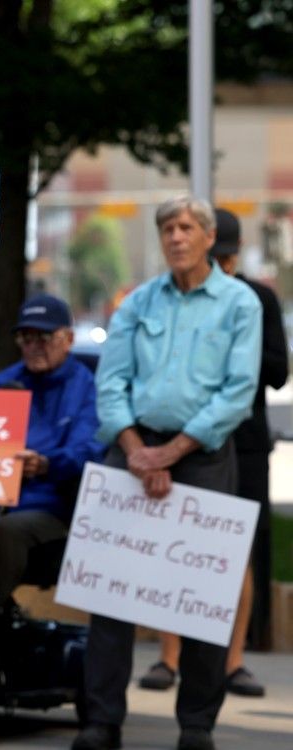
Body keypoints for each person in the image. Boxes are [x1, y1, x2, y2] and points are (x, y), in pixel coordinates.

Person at [71, 196, 262, 750]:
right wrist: (136, 449)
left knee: (202, 596)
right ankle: (102, 720)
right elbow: (111, 383)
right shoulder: (137, 303)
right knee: (110, 594)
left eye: (185, 227)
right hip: (131, 453)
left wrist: (171, 452)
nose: (175, 237)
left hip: (201, 456)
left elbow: (237, 392)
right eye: (167, 229)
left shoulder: (238, 304)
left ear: (207, 237)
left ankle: (196, 724)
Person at [137, 208, 288, 700]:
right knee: (170, 544)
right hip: (181, 439)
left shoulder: (252, 299)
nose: (218, 265)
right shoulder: (171, 299)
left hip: (240, 441)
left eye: (225, 256)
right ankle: (170, 654)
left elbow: (274, 369)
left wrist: (231, 352)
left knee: (236, 548)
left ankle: (233, 658)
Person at [0, 294, 105, 640]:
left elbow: (90, 451)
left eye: (43, 337)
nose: (33, 346)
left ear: (68, 339)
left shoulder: (86, 388)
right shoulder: (5, 382)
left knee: (5, 535)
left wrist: (47, 465)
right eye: (26, 338)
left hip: (54, 507)